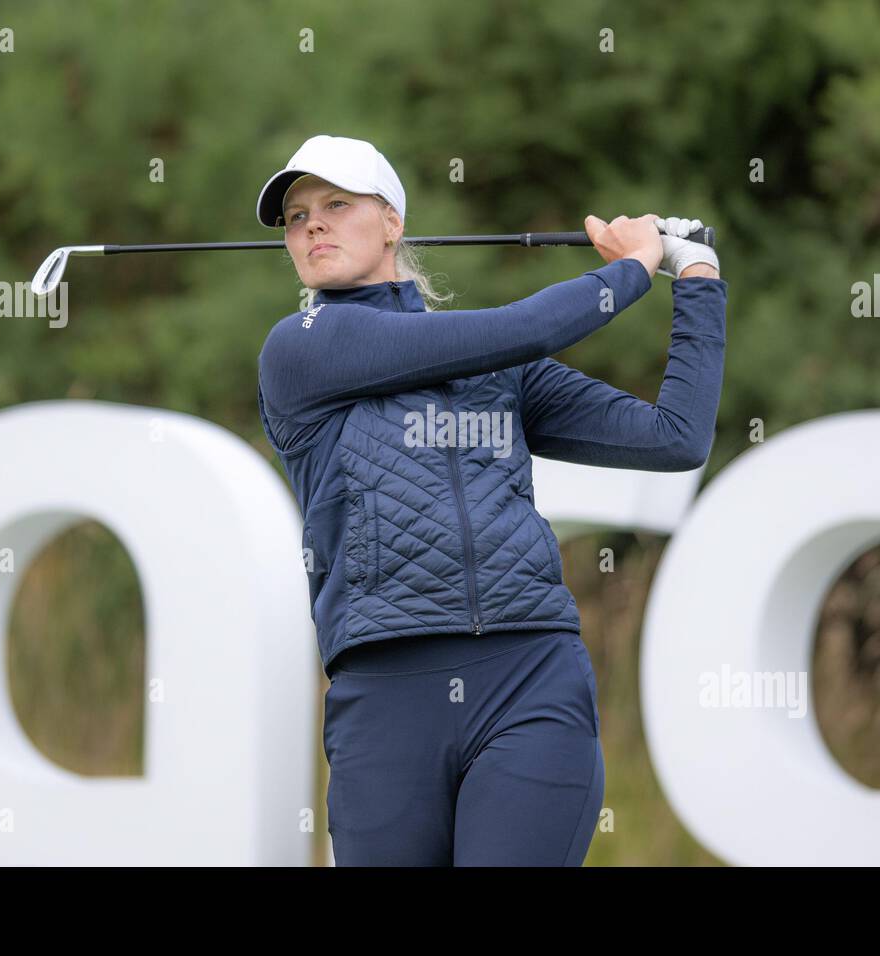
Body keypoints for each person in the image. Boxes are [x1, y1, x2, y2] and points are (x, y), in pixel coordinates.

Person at [255, 134, 726, 865]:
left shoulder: (498, 372)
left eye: (335, 204)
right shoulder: (302, 350)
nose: (311, 225)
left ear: (391, 221)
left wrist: (696, 276)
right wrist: (635, 267)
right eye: (295, 216)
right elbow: (520, 328)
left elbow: (674, 438)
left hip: (529, 680)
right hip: (385, 700)